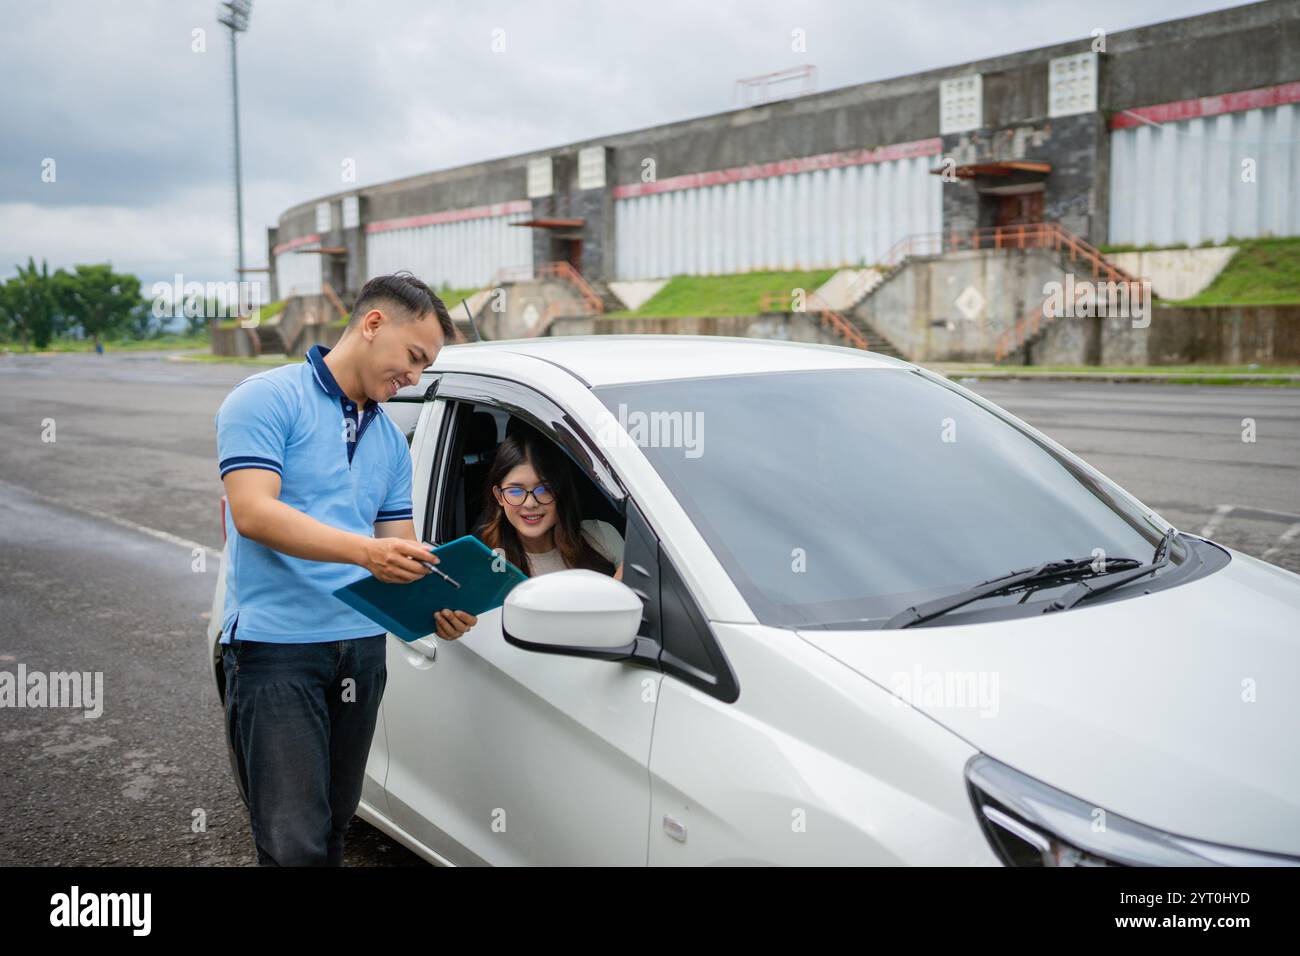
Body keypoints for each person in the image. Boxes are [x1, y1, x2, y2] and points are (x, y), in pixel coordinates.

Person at [215, 271, 477, 866]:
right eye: (413, 357)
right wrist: (366, 553)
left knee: (334, 831)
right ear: (373, 323)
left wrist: (439, 606)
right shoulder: (265, 397)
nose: (414, 376)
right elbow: (254, 513)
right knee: (293, 844)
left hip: (361, 648)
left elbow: (398, 550)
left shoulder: (388, 440)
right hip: (275, 648)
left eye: (424, 367)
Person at [476, 427, 624, 579]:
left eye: (543, 489)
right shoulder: (490, 562)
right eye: (516, 491)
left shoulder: (600, 536)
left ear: (560, 491)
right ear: (499, 496)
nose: (530, 503)